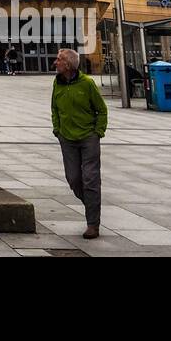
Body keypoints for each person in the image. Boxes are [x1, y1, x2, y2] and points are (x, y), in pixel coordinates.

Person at [51, 48, 108, 240]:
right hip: (67, 138)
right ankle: (93, 205)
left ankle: (93, 223)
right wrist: (57, 129)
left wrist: (98, 132)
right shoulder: (57, 83)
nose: (55, 62)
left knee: (90, 179)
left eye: (59, 60)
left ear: (68, 65)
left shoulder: (87, 84)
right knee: (73, 178)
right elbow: (54, 107)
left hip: (88, 137)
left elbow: (101, 109)